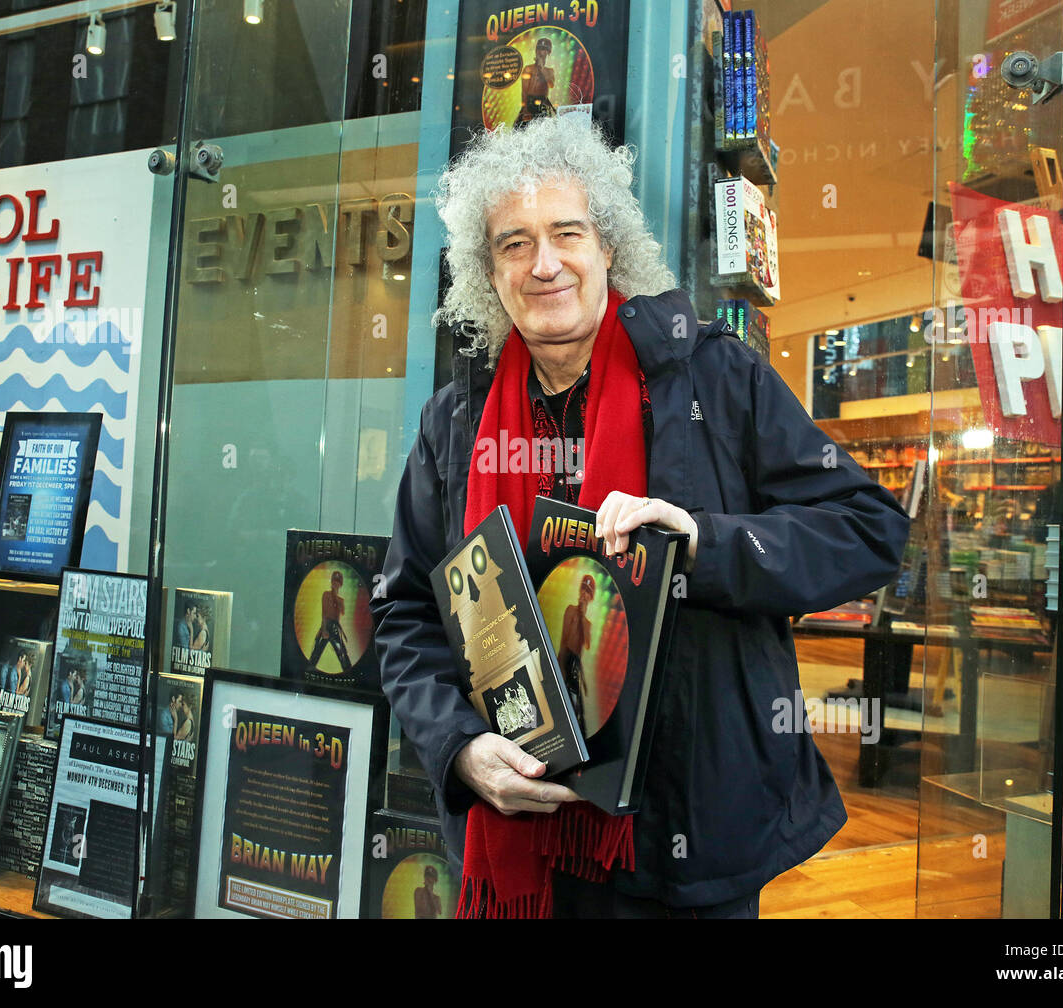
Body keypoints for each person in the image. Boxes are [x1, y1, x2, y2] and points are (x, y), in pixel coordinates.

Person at [371, 116, 909, 918]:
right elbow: (405, 609)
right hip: (525, 839)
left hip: (687, 843)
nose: (544, 263)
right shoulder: (456, 422)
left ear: (609, 247)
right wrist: (457, 749)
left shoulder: (716, 380)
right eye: (514, 244)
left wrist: (708, 543)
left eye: (567, 233)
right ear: (489, 271)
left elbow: (870, 529)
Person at [557, 574, 594, 726]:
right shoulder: (570, 610)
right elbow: (564, 638)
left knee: (577, 709)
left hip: (575, 666)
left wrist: (583, 616)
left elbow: (587, 644)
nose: (584, 595)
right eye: (583, 590)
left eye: (588, 592)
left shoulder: (587, 623)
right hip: (565, 657)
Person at [310, 569, 354, 675]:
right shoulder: (326, 595)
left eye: (338, 582)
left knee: (342, 654)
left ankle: (349, 673)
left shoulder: (340, 600)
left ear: (340, 584)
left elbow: (342, 612)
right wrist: (324, 629)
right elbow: (324, 613)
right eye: (334, 581)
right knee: (316, 652)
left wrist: (336, 598)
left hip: (335, 627)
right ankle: (308, 671)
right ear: (332, 582)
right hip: (326, 624)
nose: (336, 584)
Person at [516, 37, 555, 125]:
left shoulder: (550, 71)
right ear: (536, 51)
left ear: (548, 52)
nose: (541, 52)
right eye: (539, 49)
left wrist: (541, 68)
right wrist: (525, 109)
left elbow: (551, 84)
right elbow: (524, 91)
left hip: (543, 104)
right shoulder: (528, 69)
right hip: (530, 103)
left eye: (544, 49)